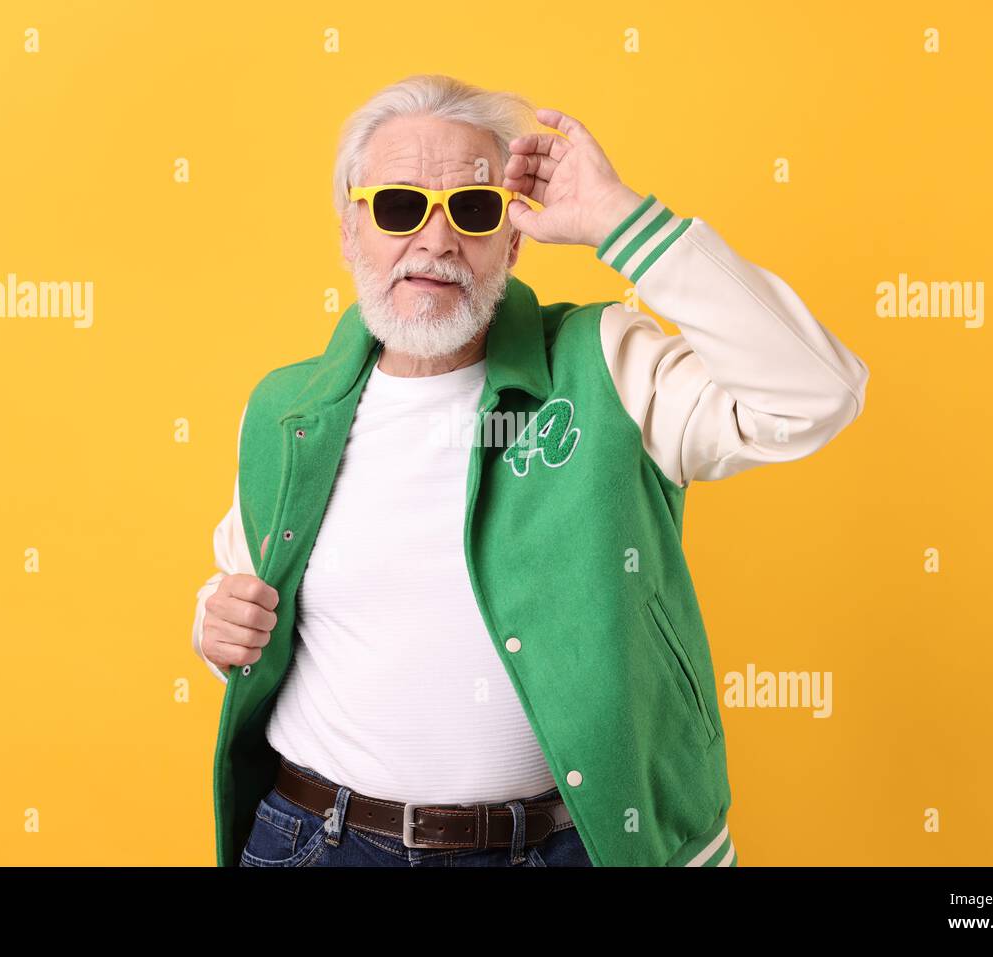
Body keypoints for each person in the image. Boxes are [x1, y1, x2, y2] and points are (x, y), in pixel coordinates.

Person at [192, 74, 869, 867]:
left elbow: (817, 393)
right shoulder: (285, 407)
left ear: (512, 242)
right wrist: (215, 620)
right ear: (350, 230)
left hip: (559, 849)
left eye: (473, 211)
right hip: (320, 840)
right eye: (399, 207)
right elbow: (245, 583)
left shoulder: (607, 365)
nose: (437, 241)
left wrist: (623, 219)